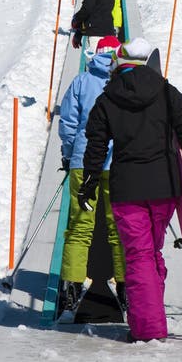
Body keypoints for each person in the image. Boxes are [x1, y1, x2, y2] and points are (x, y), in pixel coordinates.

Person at [80, 37, 182, 343]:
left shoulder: (107, 99)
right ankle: (150, 314)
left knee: (138, 256)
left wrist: (89, 183)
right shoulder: (166, 91)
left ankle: (148, 328)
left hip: (127, 188)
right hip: (165, 186)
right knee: (151, 252)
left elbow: (96, 145)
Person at [58, 36, 126, 316]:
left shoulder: (81, 81)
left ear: (94, 53)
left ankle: (72, 287)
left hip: (83, 162)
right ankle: (125, 287)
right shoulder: (122, 82)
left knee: (79, 225)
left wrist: (69, 153)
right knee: (119, 226)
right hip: (118, 162)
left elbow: (68, 122)